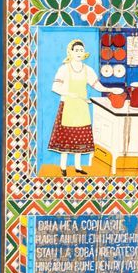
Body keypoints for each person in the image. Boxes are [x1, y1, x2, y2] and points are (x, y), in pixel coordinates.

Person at [48, 39, 121, 176]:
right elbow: (55, 87)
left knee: (80, 137)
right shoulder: (64, 68)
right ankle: (63, 167)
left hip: (82, 107)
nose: (79, 53)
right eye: (76, 50)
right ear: (70, 52)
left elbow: (97, 86)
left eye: (81, 50)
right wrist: (71, 94)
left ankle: (78, 167)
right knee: (66, 138)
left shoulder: (87, 70)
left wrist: (112, 89)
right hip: (68, 106)